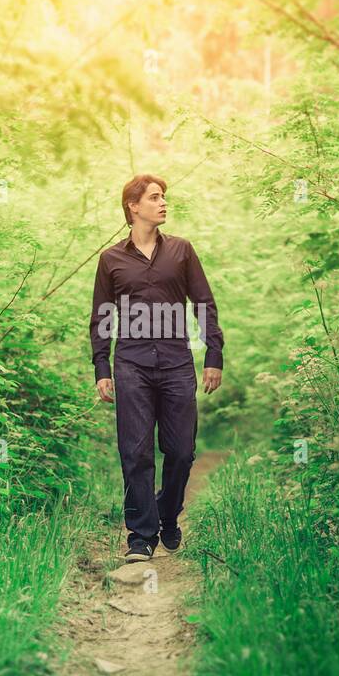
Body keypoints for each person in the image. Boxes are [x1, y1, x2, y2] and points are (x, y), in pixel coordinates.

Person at [89, 173, 224, 562]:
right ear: (134, 206)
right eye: (155, 197)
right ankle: (141, 536)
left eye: (163, 197)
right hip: (130, 364)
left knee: (181, 452)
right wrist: (102, 366)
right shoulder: (110, 259)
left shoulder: (181, 251)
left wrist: (213, 355)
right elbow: (102, 315)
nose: (163, 203)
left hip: (177, 364)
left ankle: (167, 513)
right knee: (135, 452)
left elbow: (203, 305)